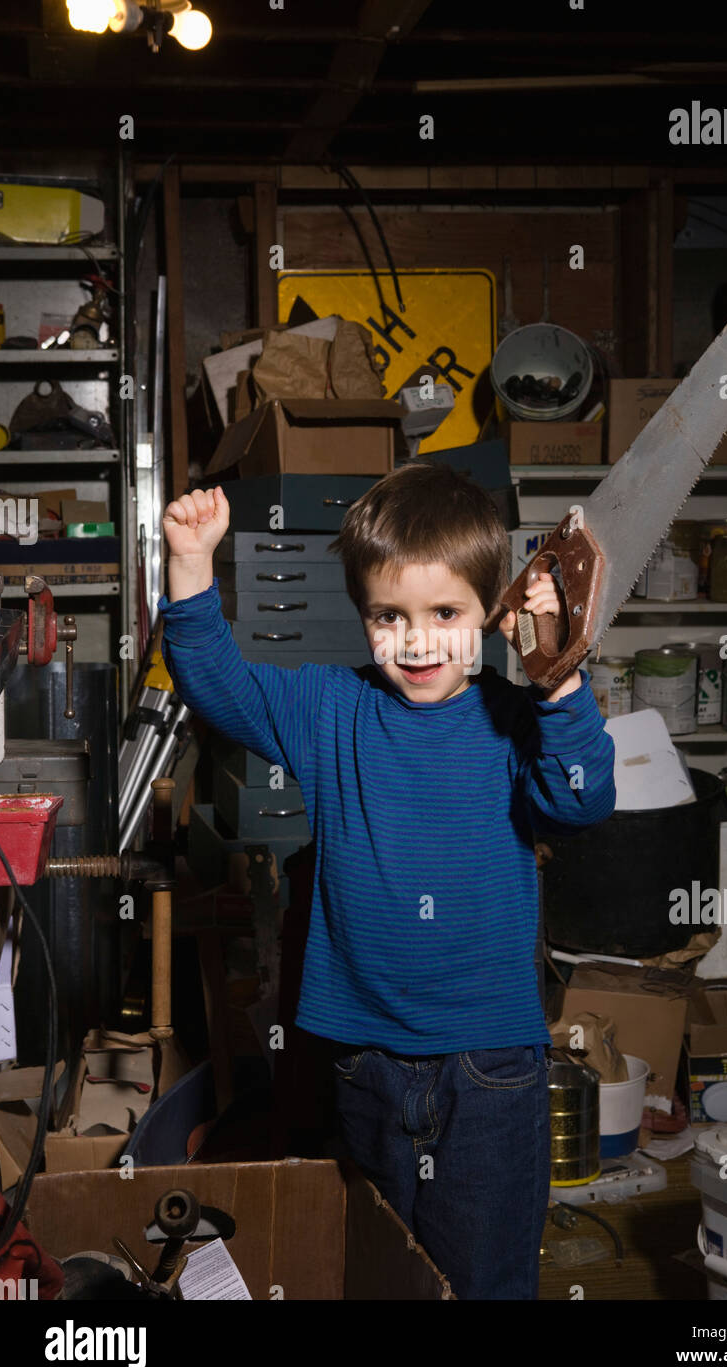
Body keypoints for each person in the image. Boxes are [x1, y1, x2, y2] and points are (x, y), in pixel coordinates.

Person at [158, 463, 616, 1300]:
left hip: (490, 1069)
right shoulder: (330, 708)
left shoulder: (518, 719)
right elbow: (220, 688)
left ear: (492, 615)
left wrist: (559, 677)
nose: (417, 641)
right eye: (388, 616)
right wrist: (190, 568)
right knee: (379, 1270)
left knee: (482, 1282)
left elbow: (584, 801)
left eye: (446, 614)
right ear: (360, 613)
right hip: (362, 1061)